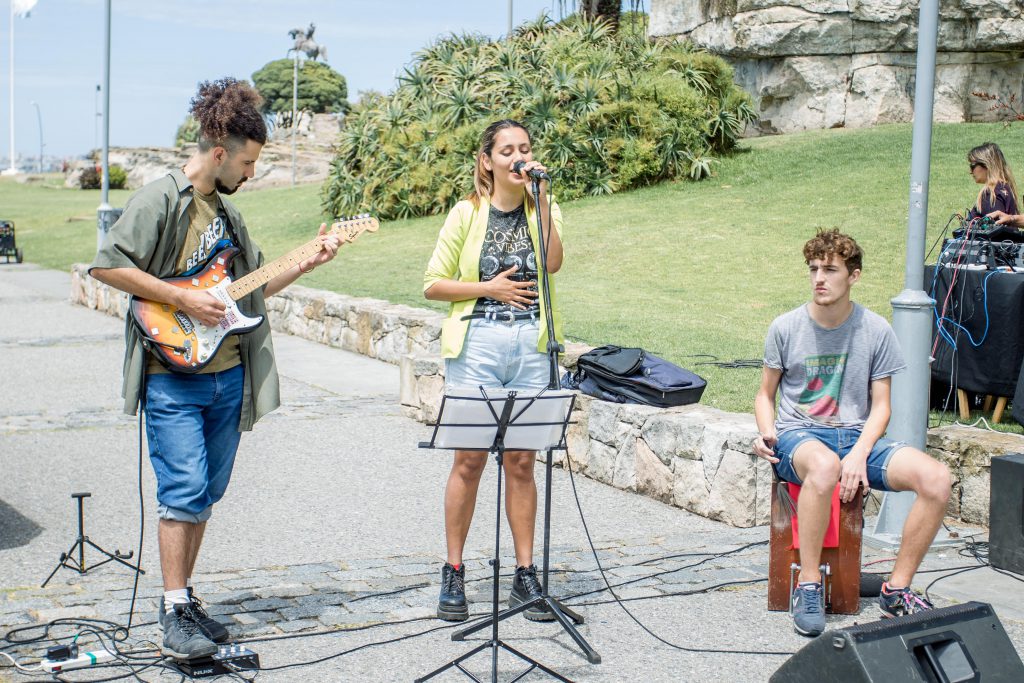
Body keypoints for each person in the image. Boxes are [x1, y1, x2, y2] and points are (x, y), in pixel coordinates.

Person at [90, 78, 341, 659]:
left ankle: (182, 598)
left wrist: (310, 259)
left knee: (204, 494)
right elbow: (107, 266)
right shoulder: (160, 199)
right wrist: (180, 299)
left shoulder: (228, 215)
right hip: (172, 376)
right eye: (248, 163)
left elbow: (248, 292)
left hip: (228, 376)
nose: (251, 174)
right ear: (220, 153)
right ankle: (175, 607)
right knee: (183, 492)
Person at [752, 229, 951, 638]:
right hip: (800, 435)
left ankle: (897, 590)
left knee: (937, 479)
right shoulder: (785, 327)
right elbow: (764, 395)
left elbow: (882, 406)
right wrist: (767, 433)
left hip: (857, 437)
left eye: (830, 269)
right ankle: (808, 584)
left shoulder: (875, 330)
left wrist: (860, 452)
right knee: (824, 467)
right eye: (813, 269)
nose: (818, 279)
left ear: (853, 276)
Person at [423, 119, 564, 623]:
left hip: (531, 345)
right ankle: (454, 569)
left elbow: (551, 264)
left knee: (523, 462)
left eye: (524, 149)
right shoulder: (467, 213)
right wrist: (490, 289)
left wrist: (542, 200)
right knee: (470, 460)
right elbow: (433, 284)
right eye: (507, 150)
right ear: (487, 160)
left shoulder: (542, 206)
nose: (518, 157)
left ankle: (525, 575)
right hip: (477, 345)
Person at [966, 142, 1019, 221]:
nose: (970, 171)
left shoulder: (992, 193)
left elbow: (995, 231)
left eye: (972, 166)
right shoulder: (1005, 187)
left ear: (987, 164)